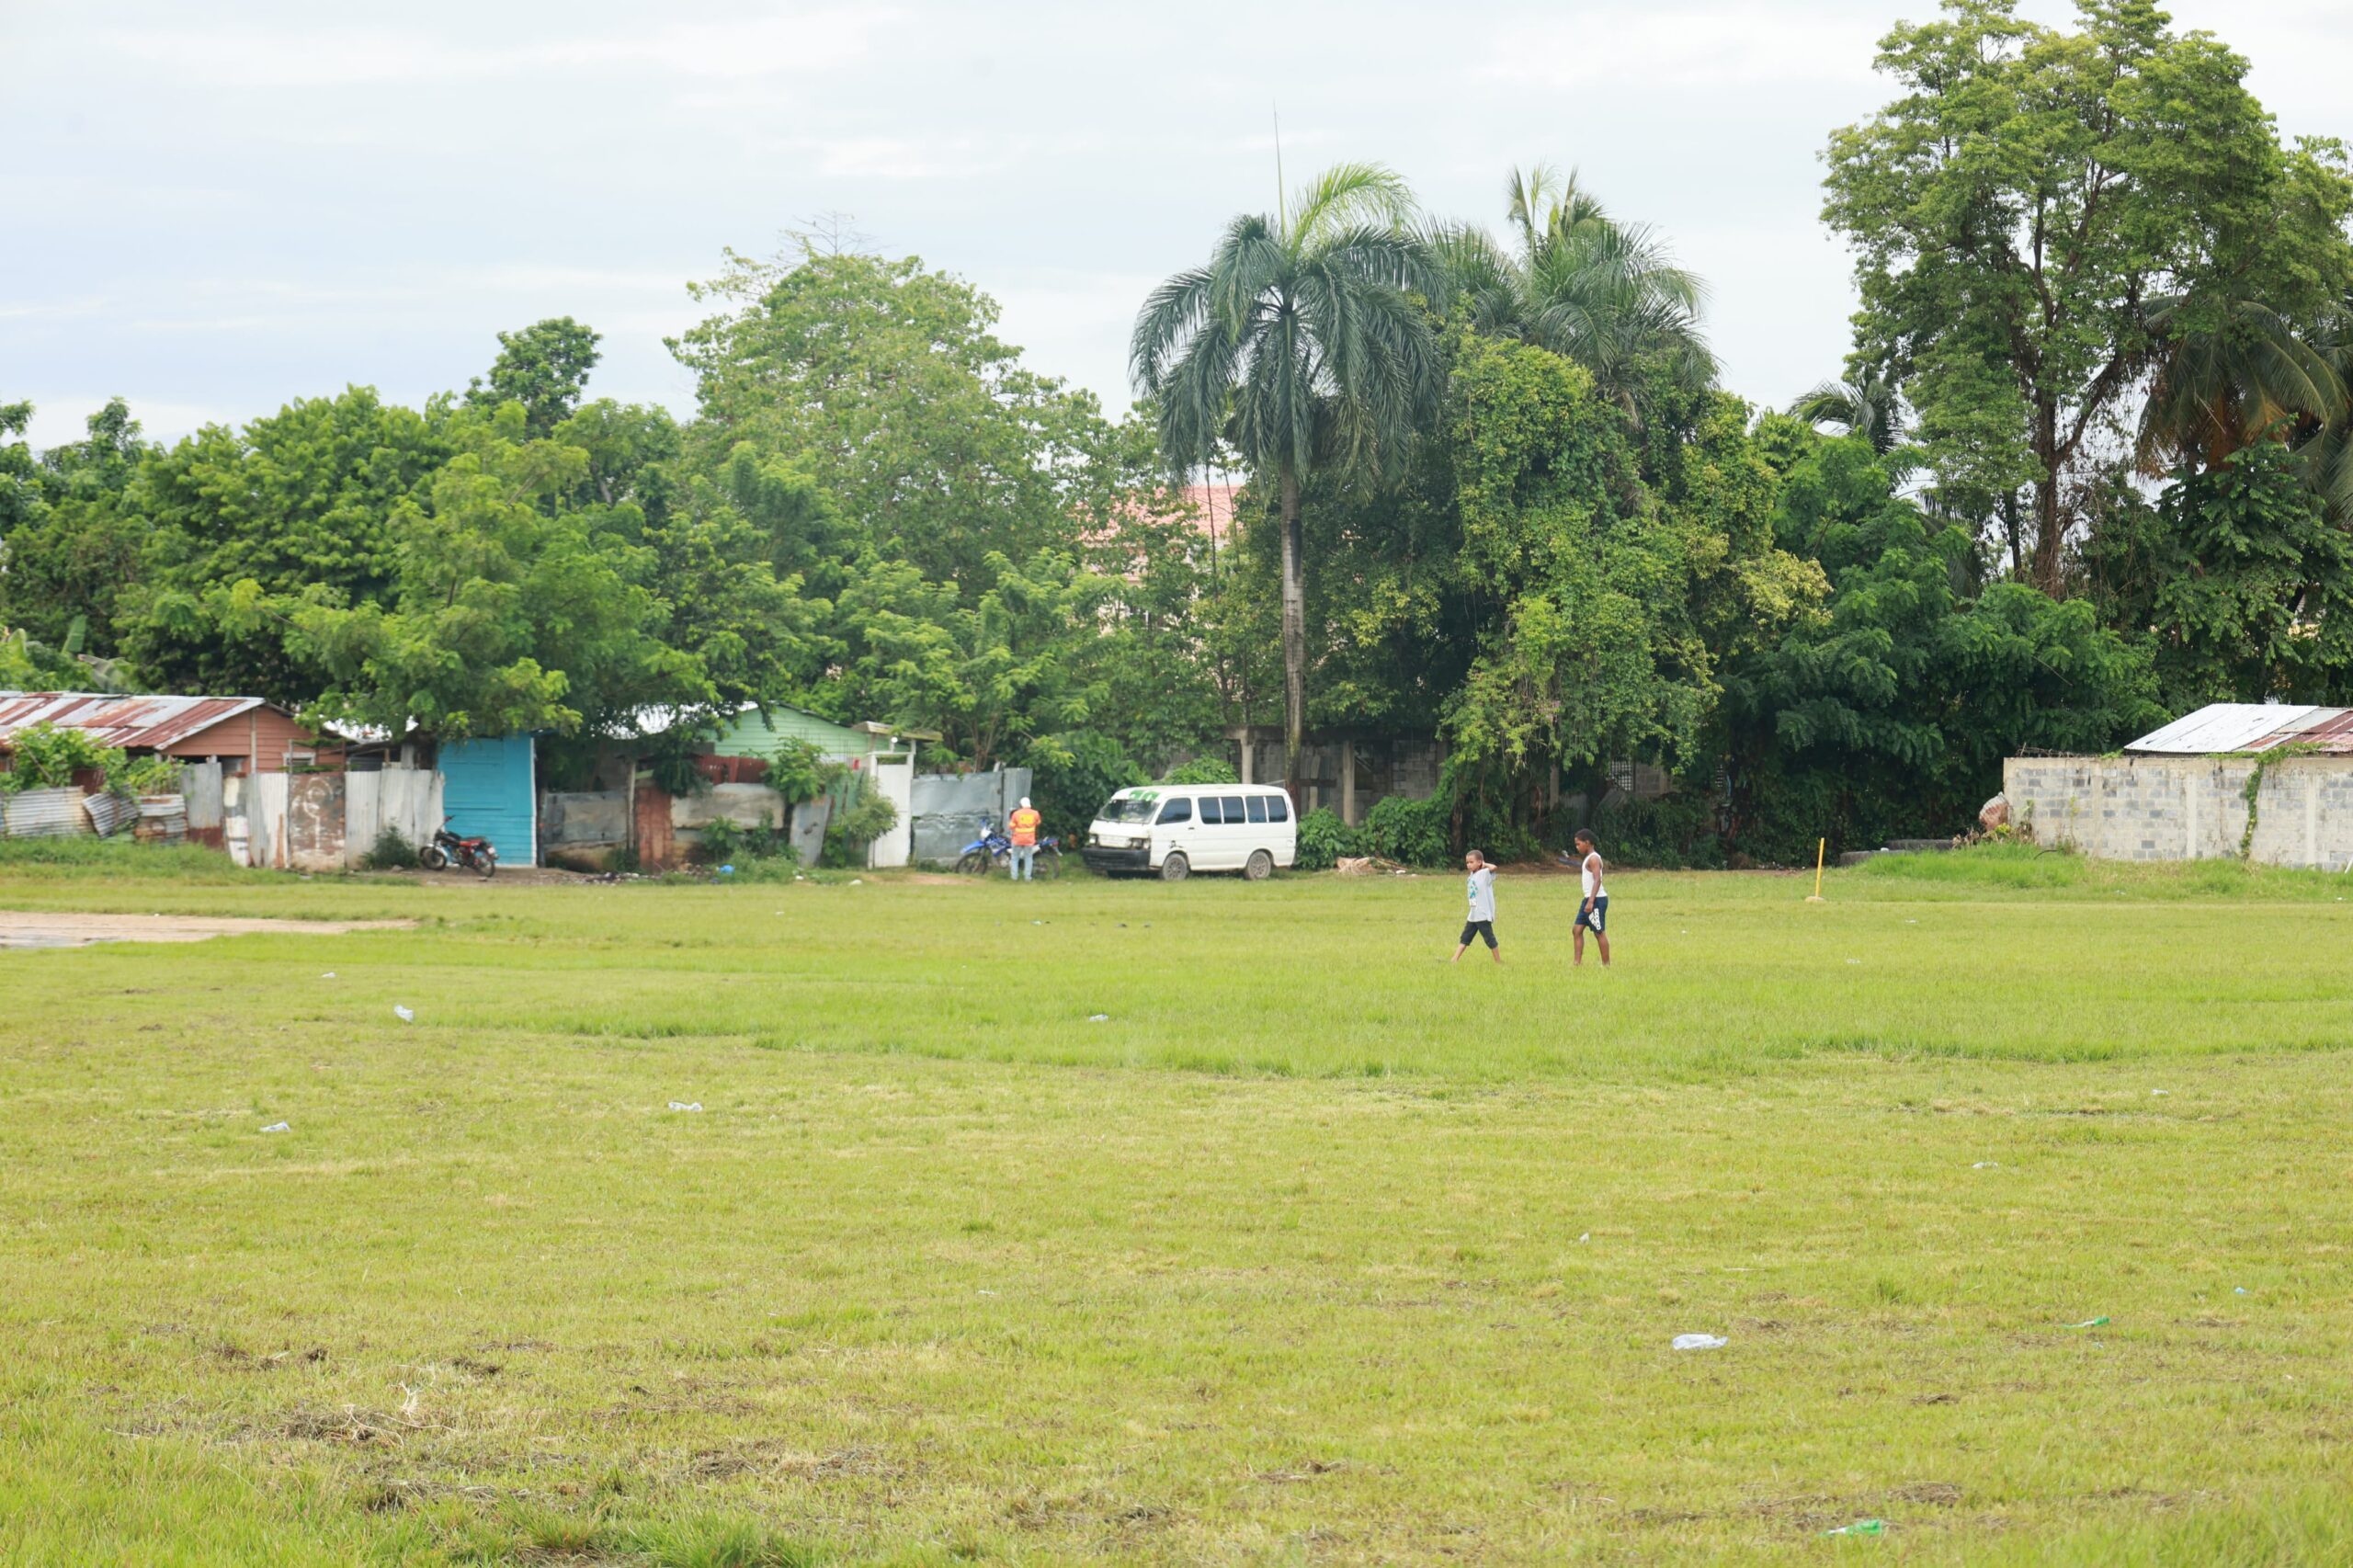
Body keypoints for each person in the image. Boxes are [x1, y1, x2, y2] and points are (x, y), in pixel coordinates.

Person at [1451, 849, 1502, 964]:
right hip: (1473, 914)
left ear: (1479, 862)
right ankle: (1454, 959)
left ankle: (1498, 962)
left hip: (1482, 914)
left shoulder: (1484, 874)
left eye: (1471, 862)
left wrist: (1485, 865)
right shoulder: (1471, 876)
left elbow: (1494, 868)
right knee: (1465, 937)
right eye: (1467, 862)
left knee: (1489, 939)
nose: (1468, 865)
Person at [1573, 829, 1610, 967]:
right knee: (1576, 930)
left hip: (1596, 900)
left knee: (1598, 932)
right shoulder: (1589, 858)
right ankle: (1577, 963)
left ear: (1587, 843)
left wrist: (1591, 901)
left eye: (1578, 844)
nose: (1577, 847)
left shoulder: (1594, 858)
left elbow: (1597, 880)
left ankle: (1606, 965)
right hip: (1588, 899)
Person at [1006, 795, 1042, 881]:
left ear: (1021, 804)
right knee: (1028, 858)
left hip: (1017, 839)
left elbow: (1011, 826)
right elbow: (1038, 823)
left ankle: (1014, 877)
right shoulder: (1035, 813)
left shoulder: (1016, 813)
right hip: (1029, 840)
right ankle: (1027, 878)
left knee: (1015, 858)